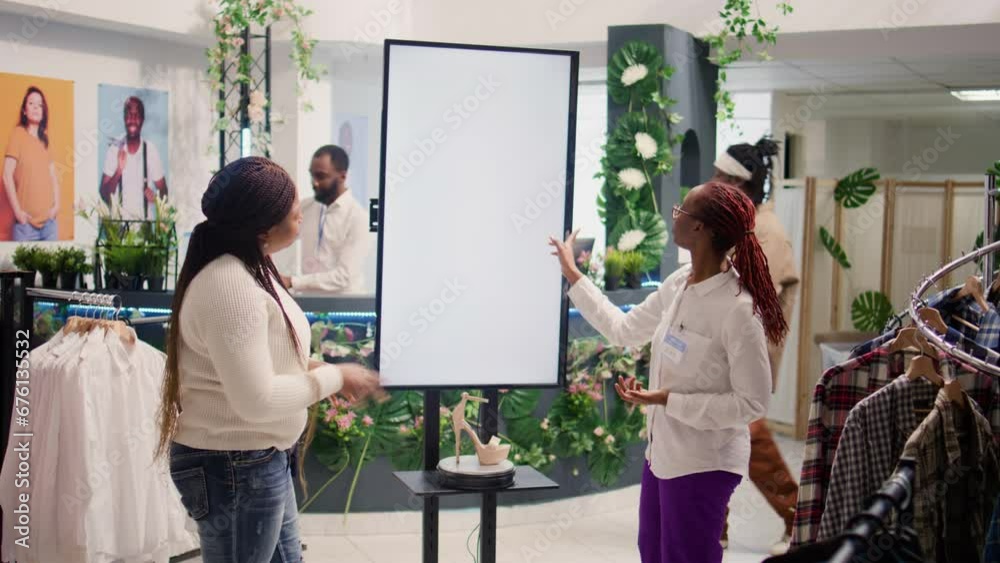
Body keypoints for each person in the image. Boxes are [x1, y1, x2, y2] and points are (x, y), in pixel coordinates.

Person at [154, 157, 381, 562]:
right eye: (295, 215)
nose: (301, 218)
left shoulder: (251, 270)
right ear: (262, 228)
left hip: (255, 460)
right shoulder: (231, 285)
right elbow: (255, 401)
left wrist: (321, 371)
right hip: (235, 467)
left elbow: (265, 357)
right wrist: (333, 377)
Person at [550, 181, 787, 563]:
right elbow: (624, 331)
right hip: (662, 455)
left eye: (681, 211)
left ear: (701, 229)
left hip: (703, 463)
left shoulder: (737, 310)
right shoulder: (680, 283)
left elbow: (753, 402)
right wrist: (574, 275)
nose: (672, 216)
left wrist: (667, 400)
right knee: (654, 552)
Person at [712, 138, 800, 556]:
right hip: (728, 352)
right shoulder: (742, 224)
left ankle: (799, 516)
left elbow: (752, 297)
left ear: (736, 182)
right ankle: (716, 527)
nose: (712, 182)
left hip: (747, 355)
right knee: (719, 441)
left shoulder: (763, 230)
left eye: (718, 176)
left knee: (749, 439)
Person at [280, 145, 369, 293]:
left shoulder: (359, 218)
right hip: (311, 304)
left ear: (343, 176)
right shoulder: (305, 207)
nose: (314, 183)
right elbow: (280, 236)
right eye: (312, 175)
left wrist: (292, 282)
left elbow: (344, 277)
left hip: (345, 310)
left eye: (321, 176)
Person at [3, 86, 60, 241]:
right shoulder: (18, 135)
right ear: (24, 110)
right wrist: (18, 214)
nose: (36, 107)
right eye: (31, 103)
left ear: (43, 111)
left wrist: (56, 207)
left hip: (49, 225)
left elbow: (53, 176)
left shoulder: (45, 140)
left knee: (54, 266)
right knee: (23, 266)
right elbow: (7, 175)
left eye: (40, 105)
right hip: (26, 227)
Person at [100, 96, 167, 218]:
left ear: (142, 119)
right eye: (129, 114)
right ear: (124, 118)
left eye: (137, 115)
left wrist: (156, 199)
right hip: (118, 231)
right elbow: (104, 194)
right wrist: (118, 171)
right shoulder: (114, 149)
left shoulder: (151, 150)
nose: (133, 119)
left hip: (145, 229)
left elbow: (164, 191)